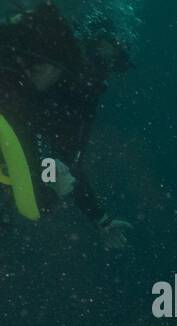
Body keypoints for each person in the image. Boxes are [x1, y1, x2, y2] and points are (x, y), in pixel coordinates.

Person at [0, 1, 131, 247]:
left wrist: (99, 218)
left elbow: (62, 162)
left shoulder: (43, 102)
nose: (97, 75)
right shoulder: (19, 99)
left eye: (105, 64)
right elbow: (35, 203)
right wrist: (51, 190)